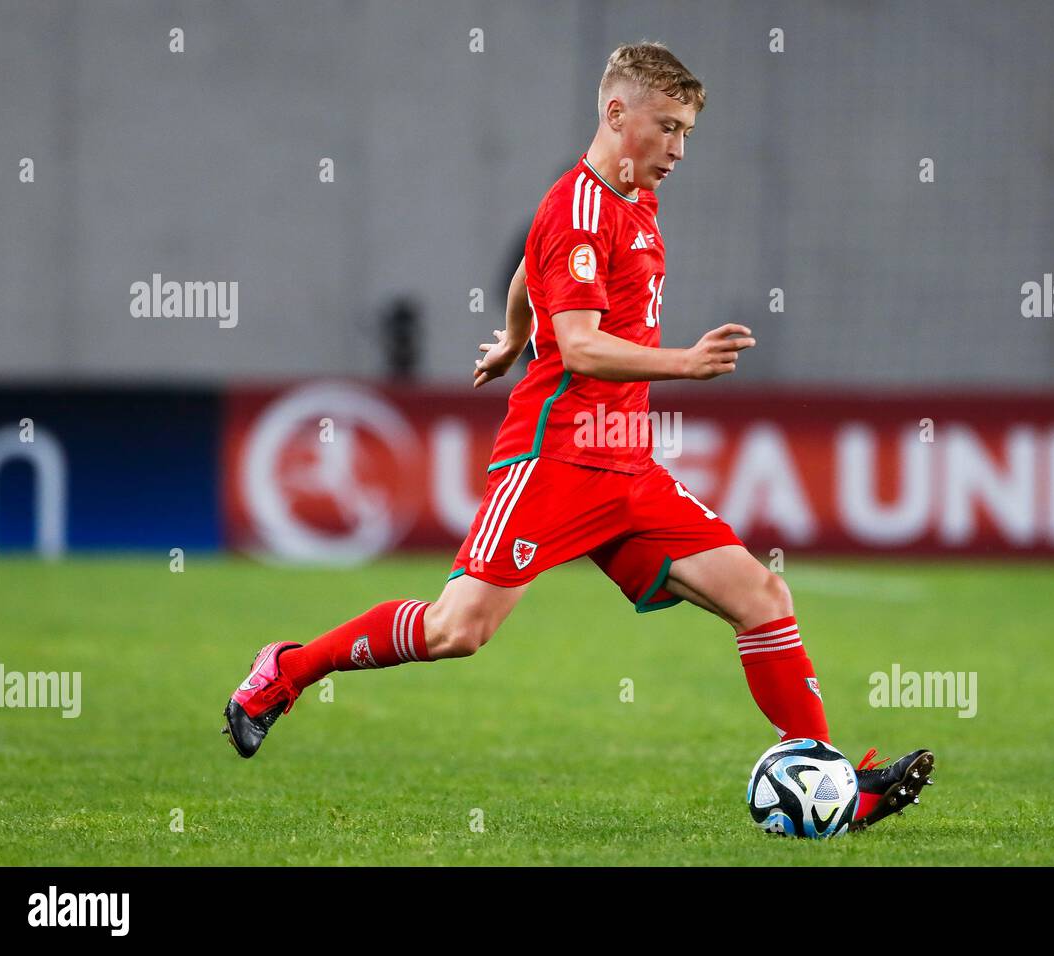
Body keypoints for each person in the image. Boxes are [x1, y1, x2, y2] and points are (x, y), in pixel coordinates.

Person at [223, 41, 934, 832]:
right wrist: (685, 364)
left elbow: (531, 271)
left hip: (626, 467)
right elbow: (588, 343)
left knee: (763, 598)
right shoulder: (580, 208)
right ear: (616, 113)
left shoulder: (627, 200)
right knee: (458, 630)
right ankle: (285, 671)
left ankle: (830, 780)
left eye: (688, 132)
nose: (678, 149)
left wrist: (513, 336)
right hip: (551, 458)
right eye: (667, 127)